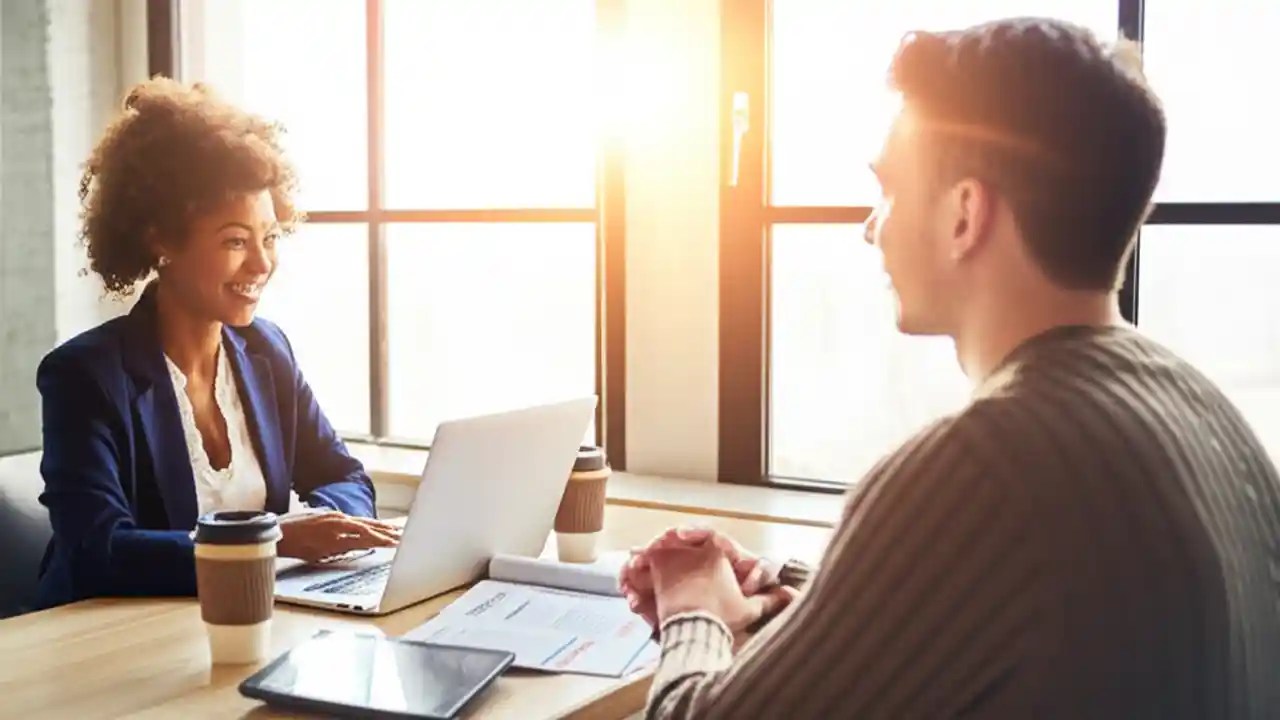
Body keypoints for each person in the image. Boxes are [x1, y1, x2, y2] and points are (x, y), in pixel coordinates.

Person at [620, 18, 1280, 719]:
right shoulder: (1207, 414)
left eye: (889, 191)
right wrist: (798, 607)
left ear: (965, 214)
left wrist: (691, 602)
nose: (871, 227)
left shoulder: (985, 466)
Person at [35, 78, 399, 609]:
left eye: (269, 237)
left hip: (239, 615)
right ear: (161, 240)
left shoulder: (267, 351)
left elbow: (344, 476)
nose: (261, 263)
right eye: (235, 240)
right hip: (105, 635)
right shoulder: (84, 375)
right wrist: (273, 540)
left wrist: (326, 524)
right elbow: (98, 550)